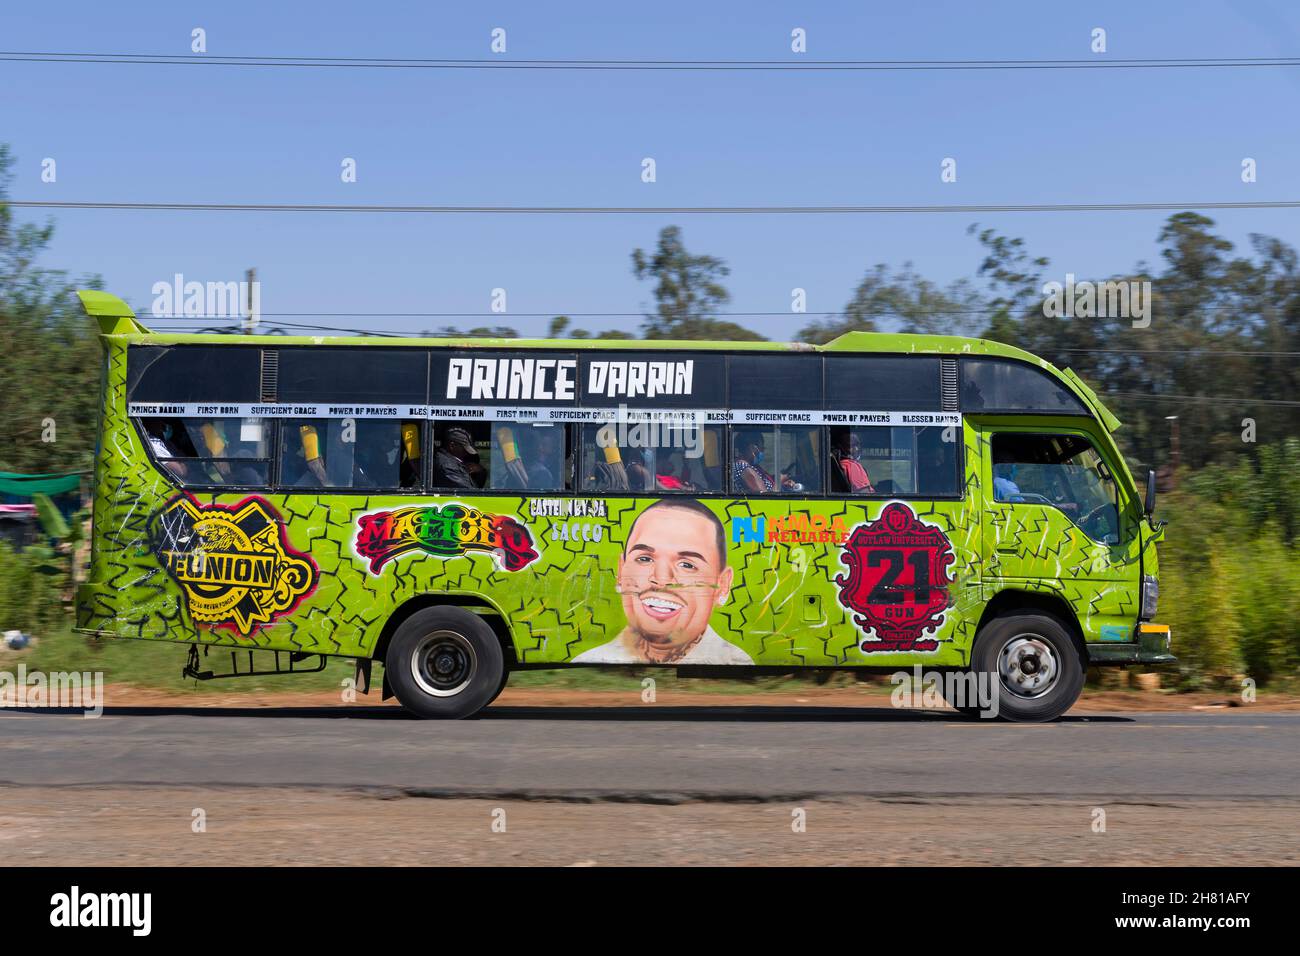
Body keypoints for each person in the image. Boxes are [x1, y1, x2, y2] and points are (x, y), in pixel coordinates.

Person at [573, 498, 753, 665]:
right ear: (621, 571)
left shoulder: (736, 661)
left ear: (722, 586)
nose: (661, 579)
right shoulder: (587, 661)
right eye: (645, 559)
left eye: (687, 565)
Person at [732, 430, 797, 494]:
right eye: (762, 449)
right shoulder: (743, 467)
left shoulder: (751, 467)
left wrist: (783, 484)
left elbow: (769, 489)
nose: (762, 452)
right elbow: (765, 496)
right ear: (753, 448)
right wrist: (779, 481)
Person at [831, 428, 874, 493]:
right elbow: (865, 495)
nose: (856, 449)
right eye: (851, 445)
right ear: (840, 447)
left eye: (857, 444)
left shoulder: (840, 465)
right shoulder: (852, 466)